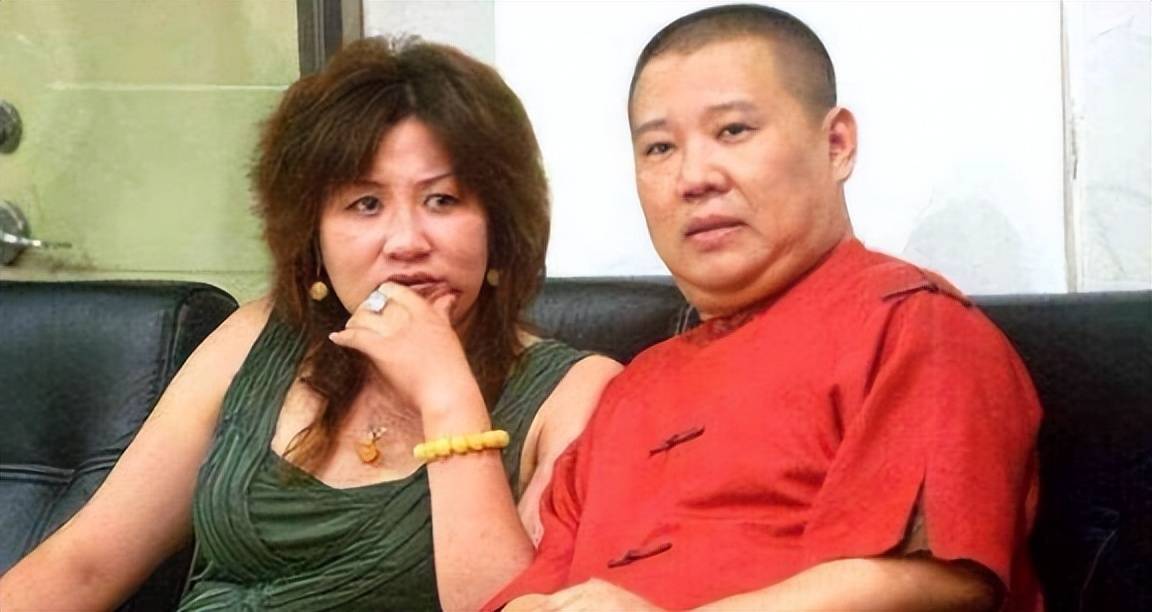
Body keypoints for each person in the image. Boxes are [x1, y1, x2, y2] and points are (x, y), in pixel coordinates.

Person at [0, 37, 620, 611]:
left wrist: (445, 394)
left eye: (442, 200)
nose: (406, 241)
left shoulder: (577, 394)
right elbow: (85, 565)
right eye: (365, 204)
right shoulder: (256, 337)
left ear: (499, 226)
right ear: (313, 236)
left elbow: (509, 607)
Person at [487, 4, 1042, 611]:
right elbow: (537, 589)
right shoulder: (630, 390)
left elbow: (936, 582)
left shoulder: (913, 324)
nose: (693, 177)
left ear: (836, 145)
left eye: (733, 131)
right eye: (660, 147)